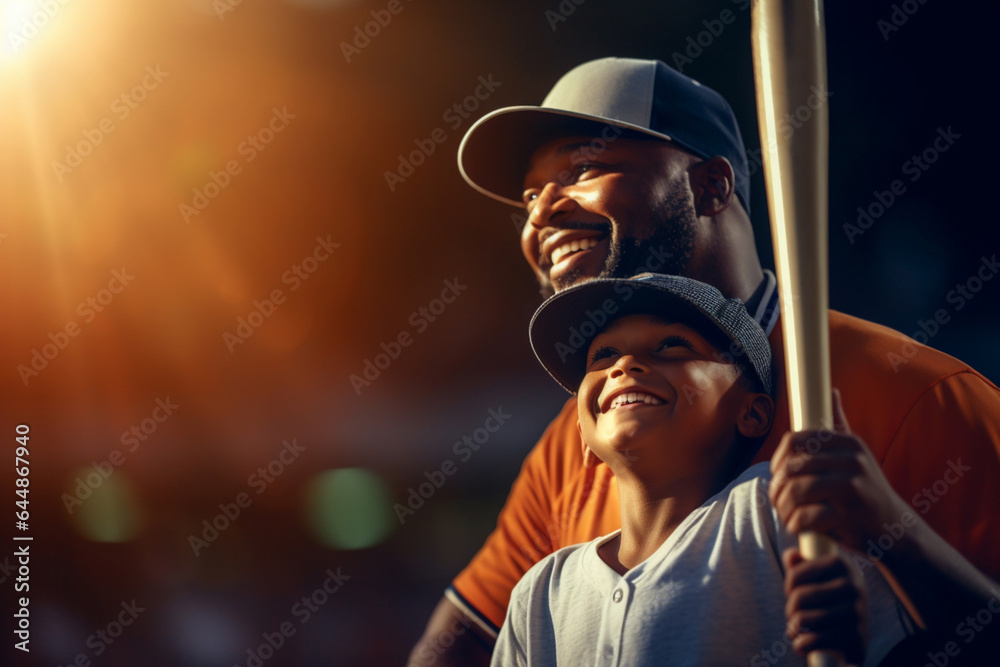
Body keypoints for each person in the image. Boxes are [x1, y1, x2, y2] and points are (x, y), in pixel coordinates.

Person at [408, 57, 1000, 666]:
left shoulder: (918, 395)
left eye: (581, 169)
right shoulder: (576, 438)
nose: (539, 213)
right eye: (532, 194)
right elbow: (460, 641)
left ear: (711, 186)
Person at [492, 271, 916, 666]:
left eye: (671, 345)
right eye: (603, 354)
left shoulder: (774, 507)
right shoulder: (540, 592)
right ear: (584, 437)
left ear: (752, 413)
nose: (624, 365)